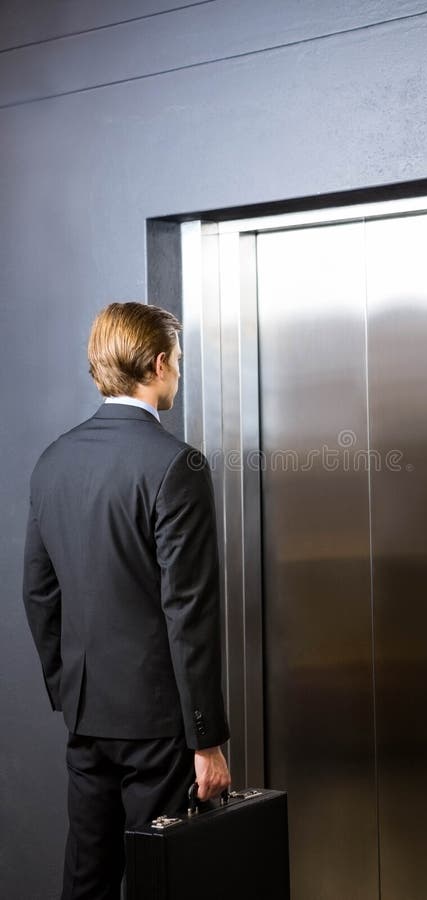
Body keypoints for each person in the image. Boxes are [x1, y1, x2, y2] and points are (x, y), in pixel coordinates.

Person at [22, 301, 231, 900]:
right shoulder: (176, 464)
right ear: (160, 364)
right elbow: (187, 611)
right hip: (159, 727)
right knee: (158, 883)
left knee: (86, 881)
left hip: (87, 715)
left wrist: (70, 687)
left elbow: (39, 592)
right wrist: (206, 739)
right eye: (180, 364)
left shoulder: (53, 460)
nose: (179, 376)